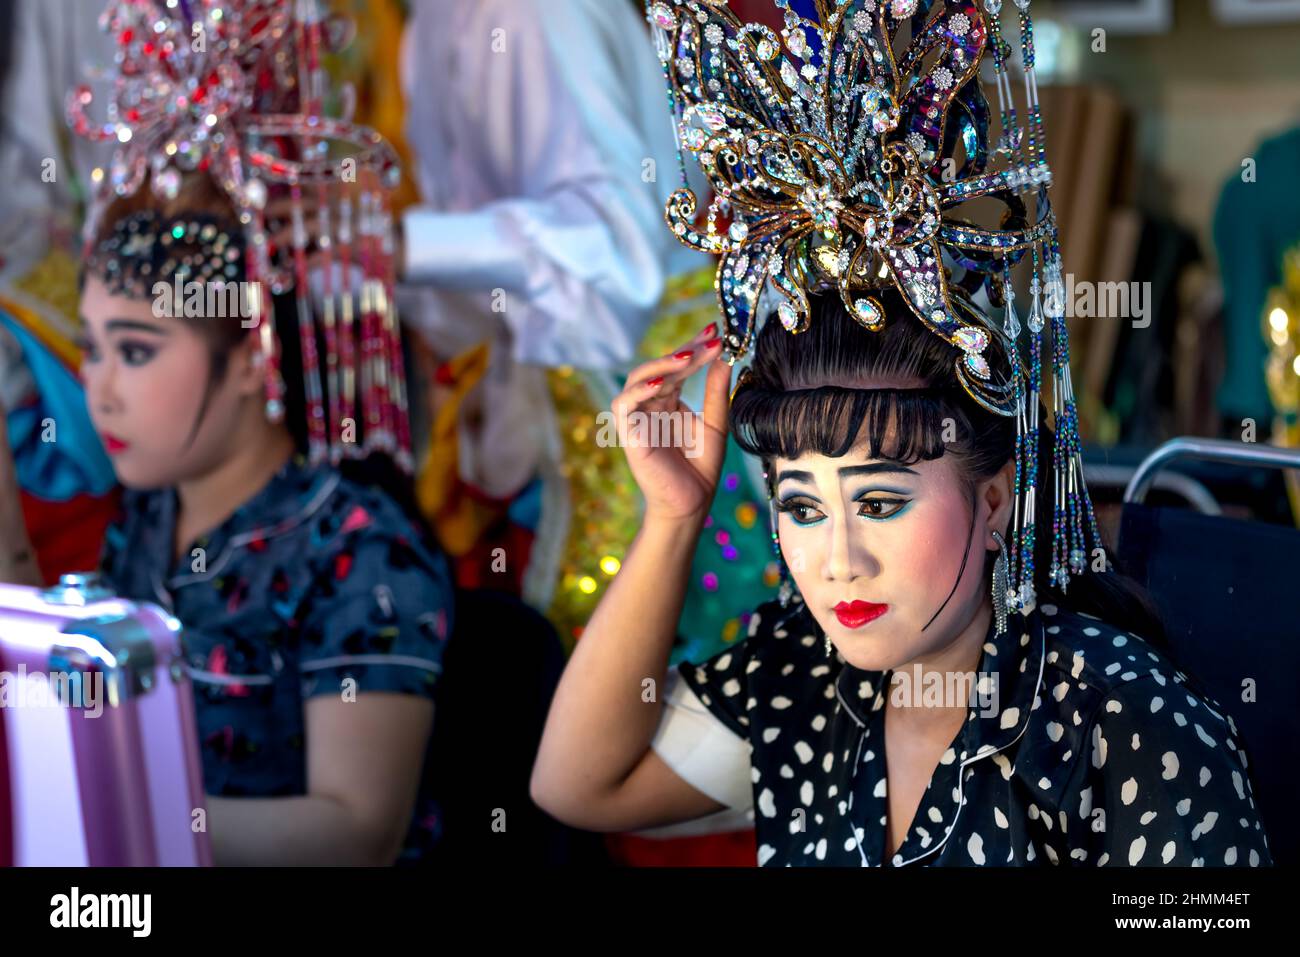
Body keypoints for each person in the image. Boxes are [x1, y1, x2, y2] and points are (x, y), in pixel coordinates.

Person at [529, 0, 1273, 866]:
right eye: (801, 507)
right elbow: (575, 784)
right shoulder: (808, 683)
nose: (838, 558)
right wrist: (671, 518)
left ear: (994, 499)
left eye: (879, 500)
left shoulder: (1121, 719)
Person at [0, 0, 454, 866]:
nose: (97, 388)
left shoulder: (363, 551)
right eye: (90, 349)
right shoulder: (150, 520)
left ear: (252, 355)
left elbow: (357, 832)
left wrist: (123, 820)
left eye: (135, 351)